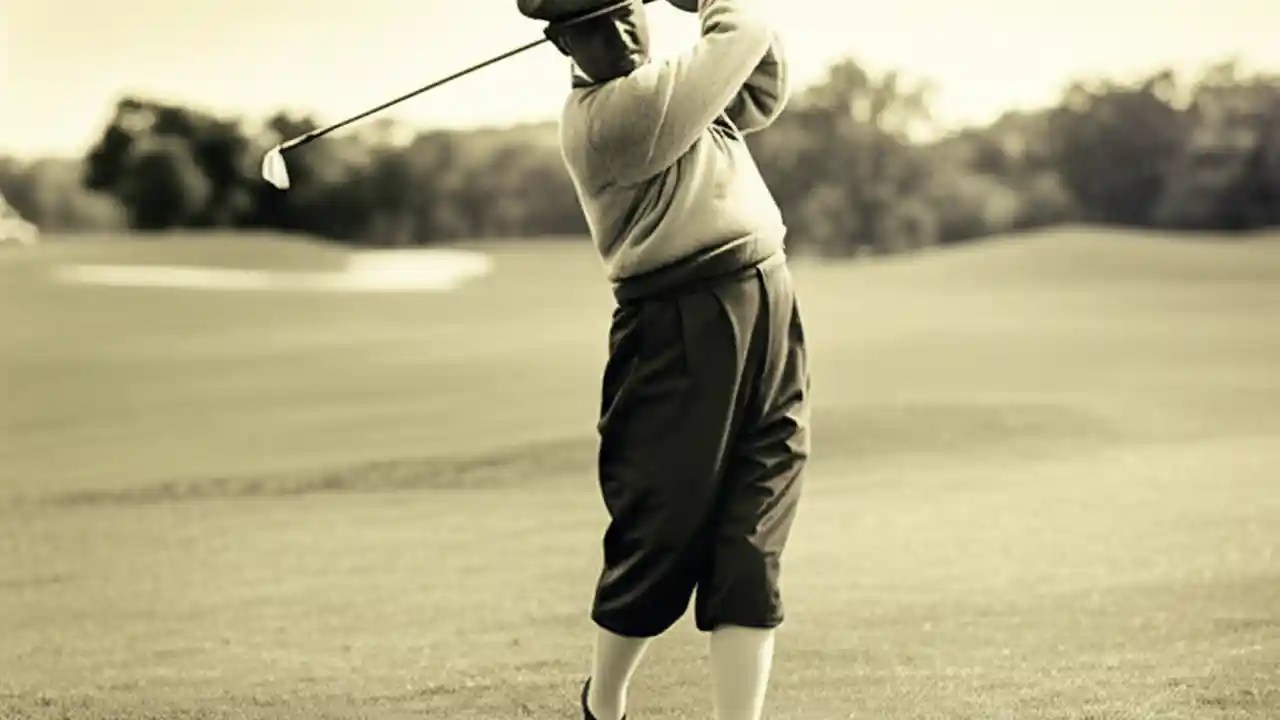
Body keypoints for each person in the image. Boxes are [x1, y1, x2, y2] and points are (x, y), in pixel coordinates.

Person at [516, 1, 811, 718]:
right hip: (678, 324)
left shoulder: (676, 91)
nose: (622, 32)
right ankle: (606, 701)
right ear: (562, 42)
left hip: (767, 300)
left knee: (755, 523)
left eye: (628, 12)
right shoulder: (618, 116)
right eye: (596, 23)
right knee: (662, 529)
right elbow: (739, 30)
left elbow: (761, 81)